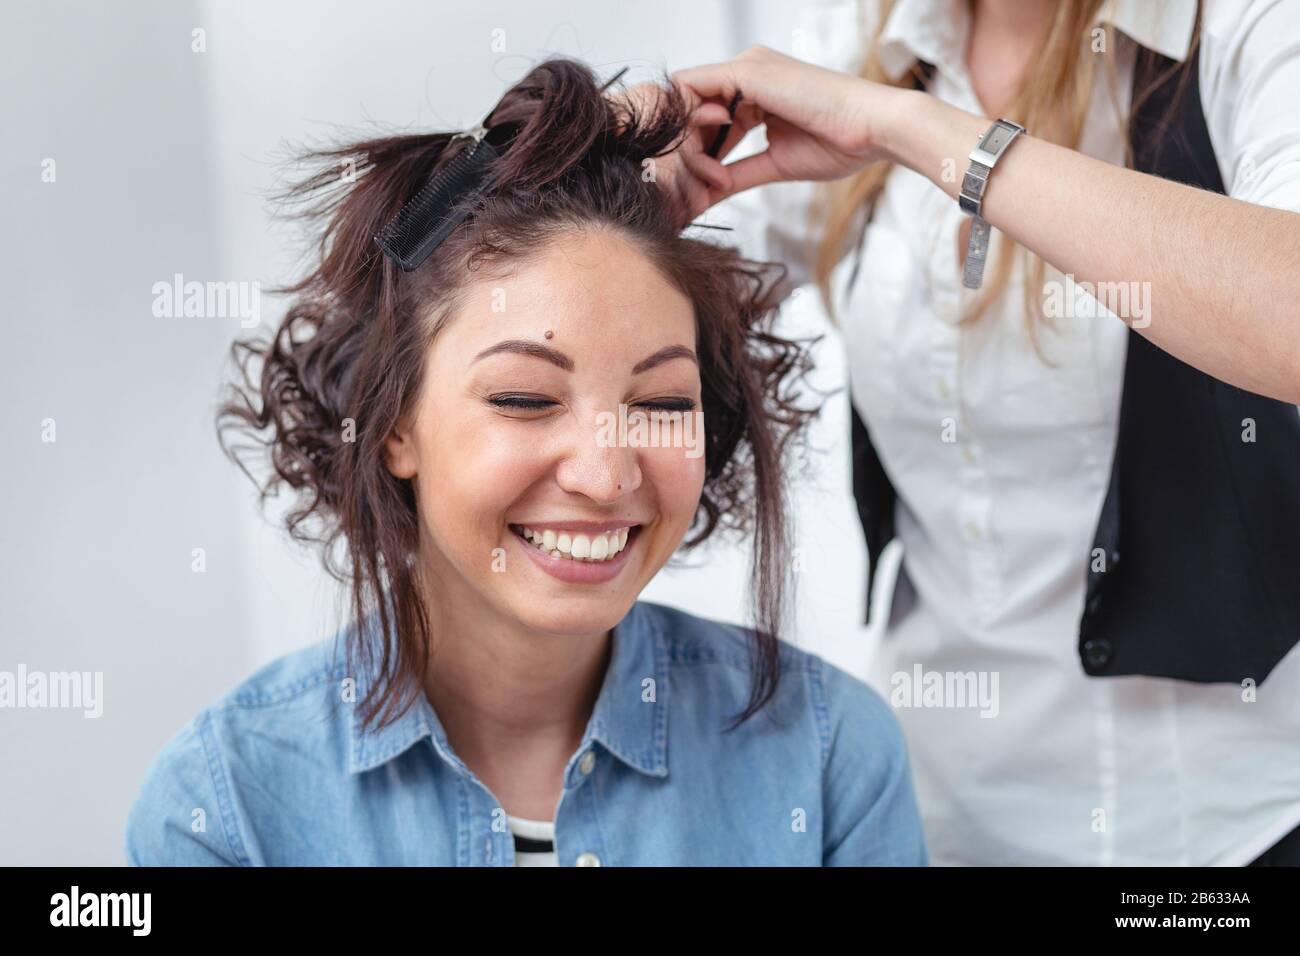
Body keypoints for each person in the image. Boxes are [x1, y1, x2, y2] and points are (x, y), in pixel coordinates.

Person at [122, 58, 928, 867]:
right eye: (524, 399)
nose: (607, 475)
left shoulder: (828, 760)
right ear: (395, 424)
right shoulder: (223, 809)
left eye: (661, 405)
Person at [657, 0, 1300, 865]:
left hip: (1210, 836)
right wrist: (620, 133)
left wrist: (915, 130)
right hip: (926, 813)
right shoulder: (869, 34)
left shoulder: (1240, 28)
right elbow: (674, 252)